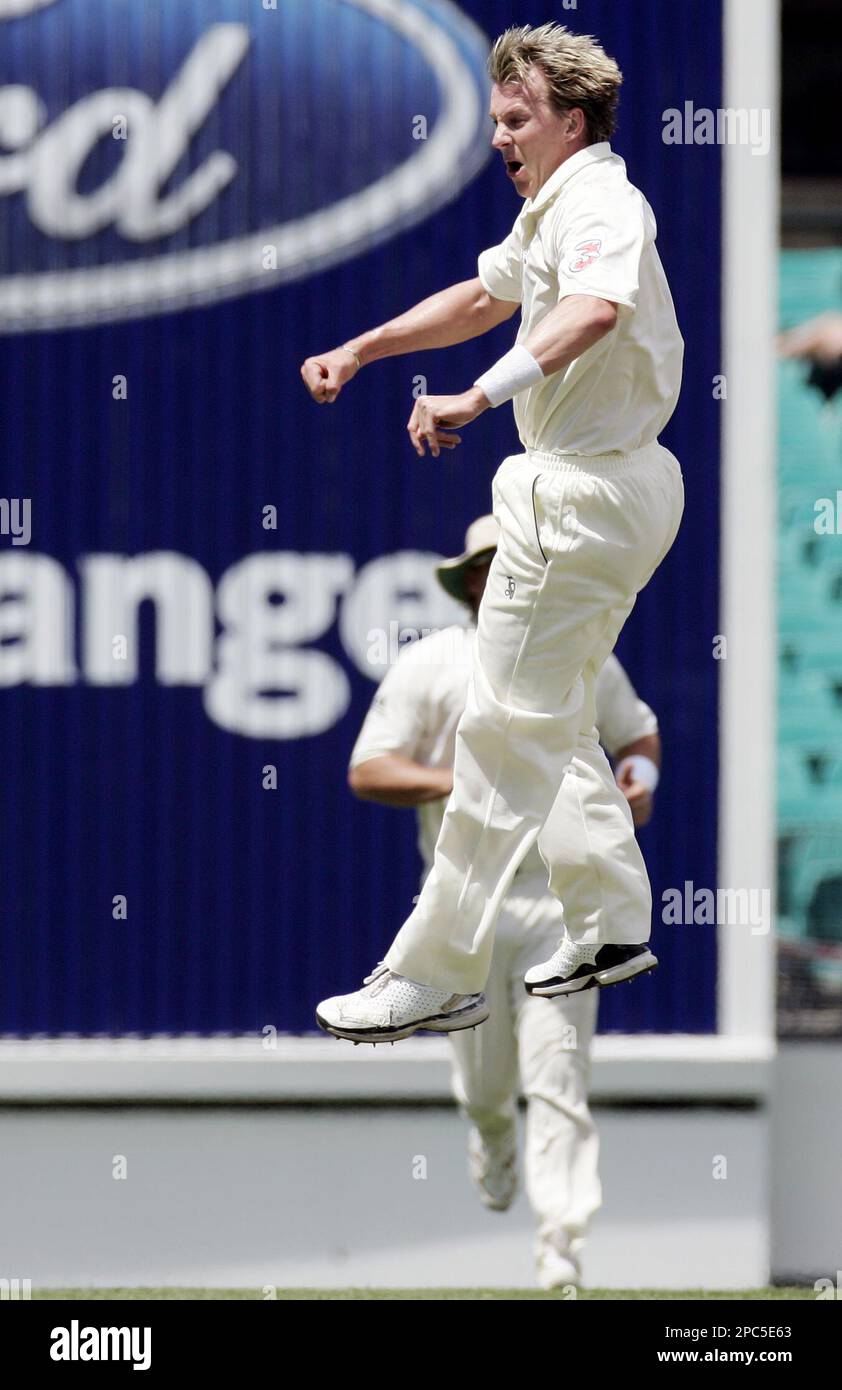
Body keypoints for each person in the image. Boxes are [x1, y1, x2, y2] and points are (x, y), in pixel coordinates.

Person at [301, 22, 684, 1042]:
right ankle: (607, 923)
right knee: (543, 720)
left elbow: (594, 311)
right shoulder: (554, 208)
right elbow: (484, 295)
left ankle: (431, 973)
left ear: (570, 119)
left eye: (514, 121)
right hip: (603, 489)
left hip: (577, 492)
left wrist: (477, 395)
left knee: (498, 729)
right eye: (493, 121)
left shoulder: (598, 201)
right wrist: (363, 347)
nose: (497, 138)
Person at [347, 514, 662, 1288]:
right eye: (497, 566)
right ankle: (491, 1132)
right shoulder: (432, 667)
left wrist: (638, 785)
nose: (512, 578)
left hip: (561, 908)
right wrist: (464, 782)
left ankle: (561, 1254)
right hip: (472, 908)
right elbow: (369, 769)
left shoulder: (578, 657)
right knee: (490, 1088)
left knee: (557, 1079)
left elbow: (639, 735)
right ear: (476, 582)